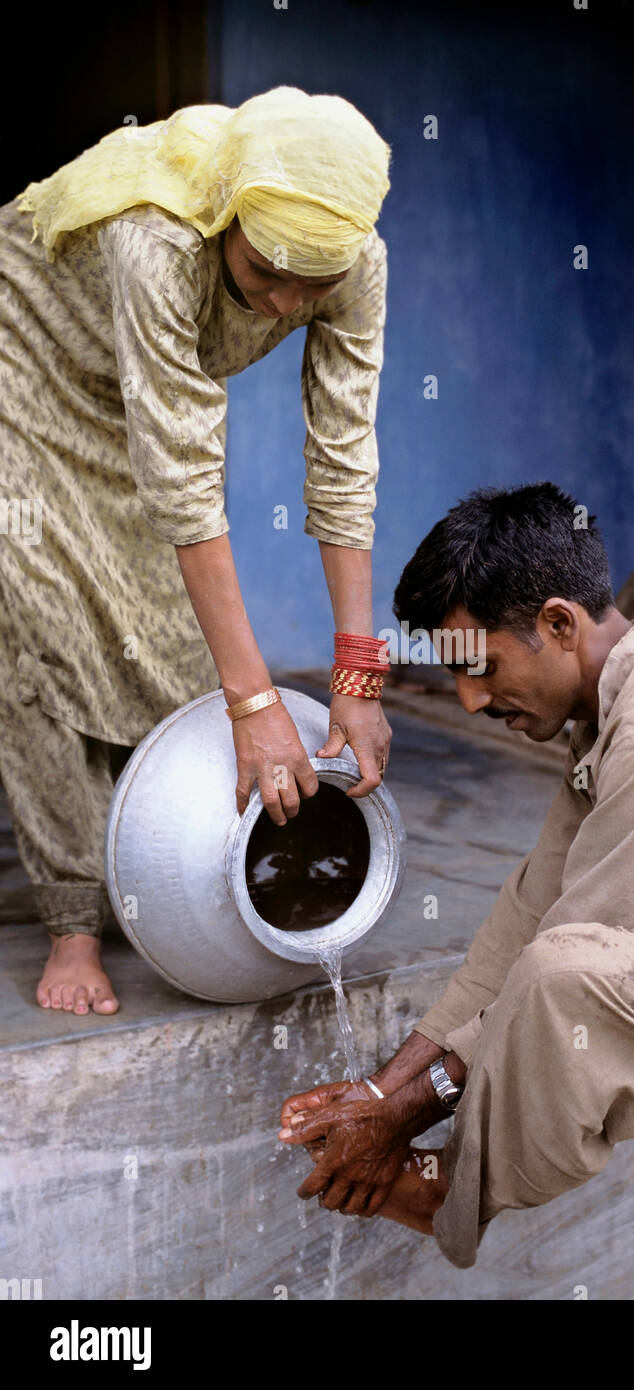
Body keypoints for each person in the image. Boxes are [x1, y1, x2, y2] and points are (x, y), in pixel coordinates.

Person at [279, 481, 634, 1300]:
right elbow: (527, 912)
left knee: (566, 977)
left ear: (558, 624)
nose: (470, 699)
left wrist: (407, 1120)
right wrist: (381, 1087)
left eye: (481, 669)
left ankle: (448, 1190)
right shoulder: (622, 708)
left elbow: (570, 967)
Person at [0, 86, 393, 1017]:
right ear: (227, 221)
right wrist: (254, 699)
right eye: (265, 272)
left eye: (314, 285)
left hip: (136, 393)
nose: (288, 301)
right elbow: (185, 480)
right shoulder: (159, 242)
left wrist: (359, 672)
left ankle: (163, 867)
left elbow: (344, 456)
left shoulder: (353, 261)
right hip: (23, 360)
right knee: (38, 625)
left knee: (175, 646)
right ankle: (72, 921)